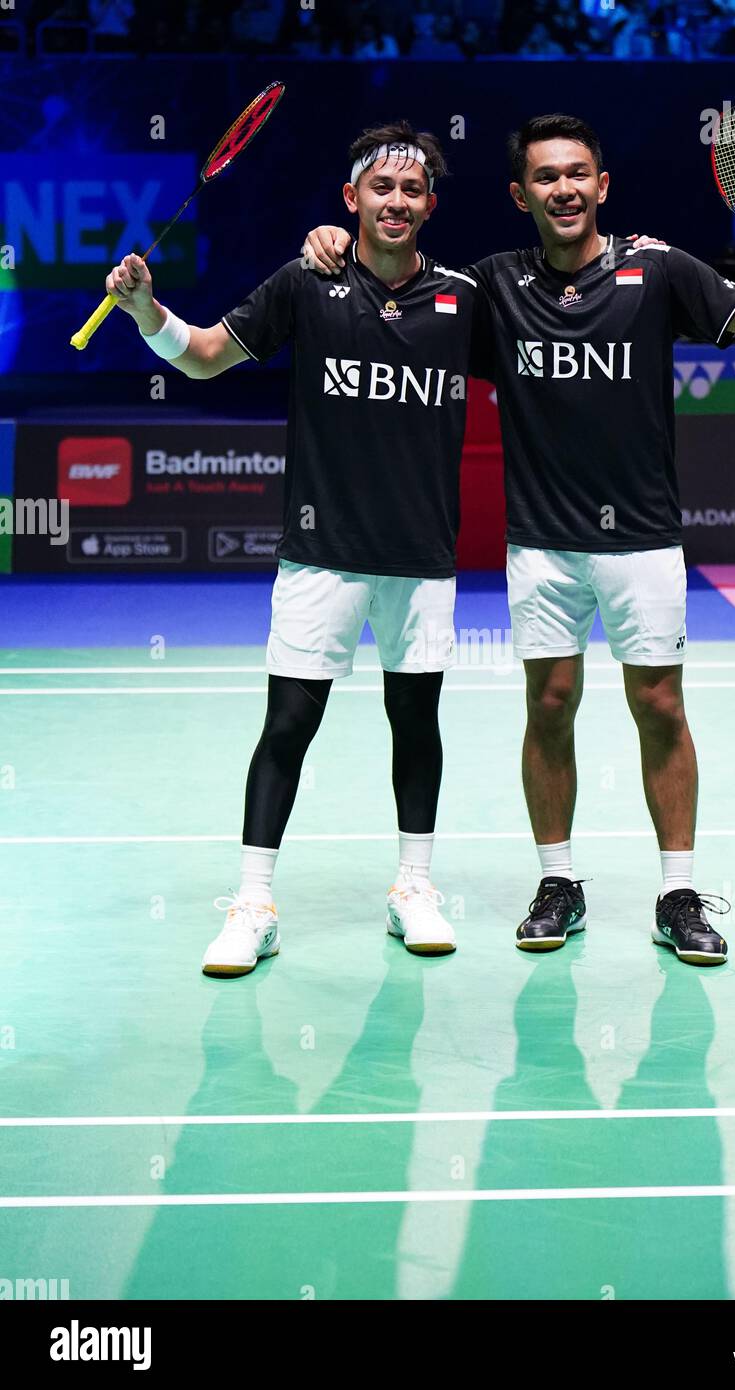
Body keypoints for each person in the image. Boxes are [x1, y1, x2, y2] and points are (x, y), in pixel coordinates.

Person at [302, 112, 735, 964]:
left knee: (659, 706)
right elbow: (397, 287)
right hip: (542, 540)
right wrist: (336, 240)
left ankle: (678, 892)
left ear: (601, 185)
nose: (564, 188)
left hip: (644, 536)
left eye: (578, 173)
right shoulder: (493, 287)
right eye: (546, 177)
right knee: (549, 706)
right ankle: (559, 882)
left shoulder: (661, 268)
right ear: (520, 194)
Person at [104, 122, 491, 973]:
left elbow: (543, 353)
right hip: (320, 552)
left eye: (413, 189)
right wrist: (145, 312)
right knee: (289, 722)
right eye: (379, 188)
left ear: (431, 205)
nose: (397, 200)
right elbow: (203, 357)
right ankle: (252, 903)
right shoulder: (305, 284)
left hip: (421, 554)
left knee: (415, 720)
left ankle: (413, 888)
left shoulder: (465, 299)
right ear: (350, 200)